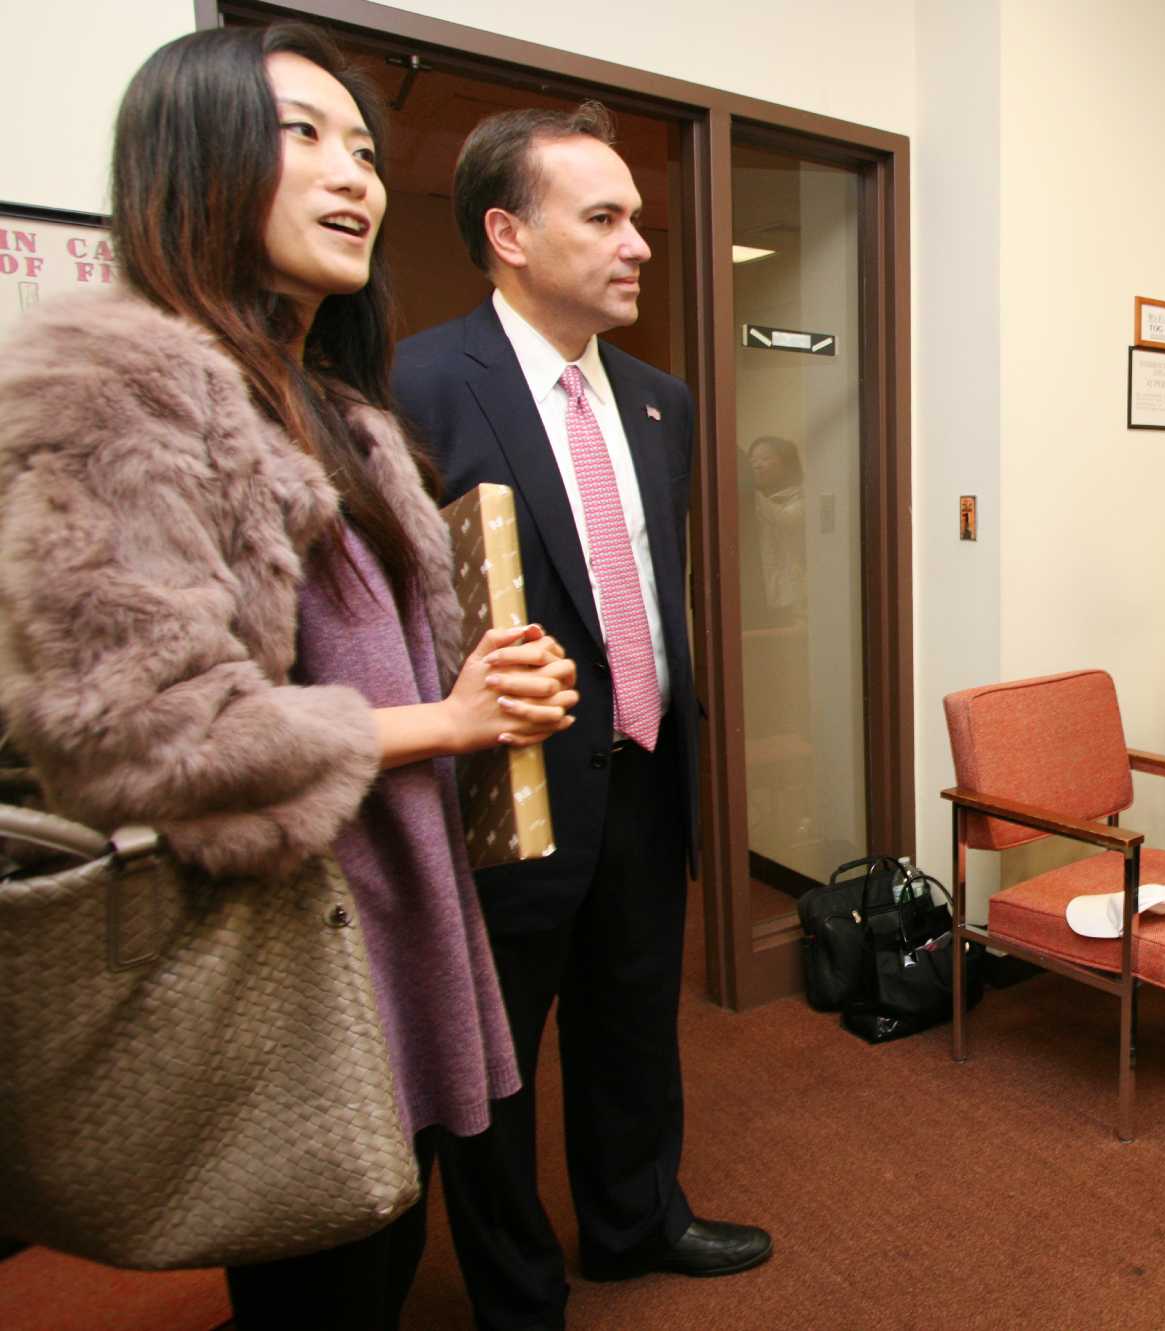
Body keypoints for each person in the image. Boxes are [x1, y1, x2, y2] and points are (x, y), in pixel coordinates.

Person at [0, 25, 578, 1330]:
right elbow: (141, 729)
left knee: (374, 1257)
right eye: (300, 135)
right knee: (321, 1282)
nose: (353, 175)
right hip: (290, 947)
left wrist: (486, 684)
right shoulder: (124, 388)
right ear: (191, 162)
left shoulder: (339, 410)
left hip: (399, 910)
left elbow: (372, 664)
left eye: (365, 148)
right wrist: (447, 711)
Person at [393, 102, 770, 1330]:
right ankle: (518, 1290)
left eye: (637, 220)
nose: (637, 246)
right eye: (603, 218)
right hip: (506, 792)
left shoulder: (658, 401)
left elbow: (647, 598)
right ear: (506, 232)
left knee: (632, 1017)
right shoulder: (416, 387)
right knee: (493, 1066)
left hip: (647, 769)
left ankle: (633, 1219)